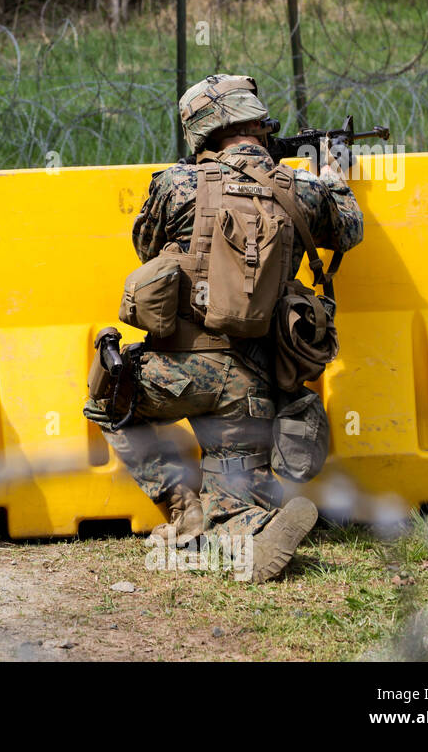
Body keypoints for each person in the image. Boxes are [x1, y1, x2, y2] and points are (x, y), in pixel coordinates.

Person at [85, 74, 364, 583]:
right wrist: (331, 174)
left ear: (200, 131)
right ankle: (251, 526)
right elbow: (350, 228)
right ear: (258, 123)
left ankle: (184, 510)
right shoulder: (301, 190)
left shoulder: (176, 183)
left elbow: (146, 248)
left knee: (107, 398)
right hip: (253, 386)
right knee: (235, 497)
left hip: (175, 374)